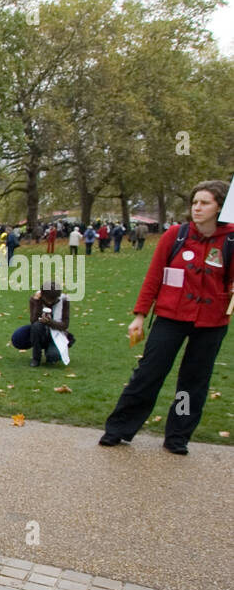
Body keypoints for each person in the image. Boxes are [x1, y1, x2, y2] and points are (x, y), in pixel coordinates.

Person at [100, 179, 233, 455]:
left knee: (193, 381)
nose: (197, 208)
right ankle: (119, 429)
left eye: (204, 203)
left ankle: (177, 436)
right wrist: (139, 315)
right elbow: (153, 278)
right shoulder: (176, 235)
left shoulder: (231, 240)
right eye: (194, 202)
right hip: (170, 317)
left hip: (211, 322)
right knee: (149, 373)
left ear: (219, 207)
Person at [18, 281, 73, 367]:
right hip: (40, 330)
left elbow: (65, 325)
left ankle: (51, 349)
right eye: (48, 300)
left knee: (53, 356)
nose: (50, 303)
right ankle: (36, 357)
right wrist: (37, 303)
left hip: (57, 333)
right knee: (35, 327)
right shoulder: (35, 300)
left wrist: (50, 322)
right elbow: (33, 321)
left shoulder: (64, 301)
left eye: (53, 300)